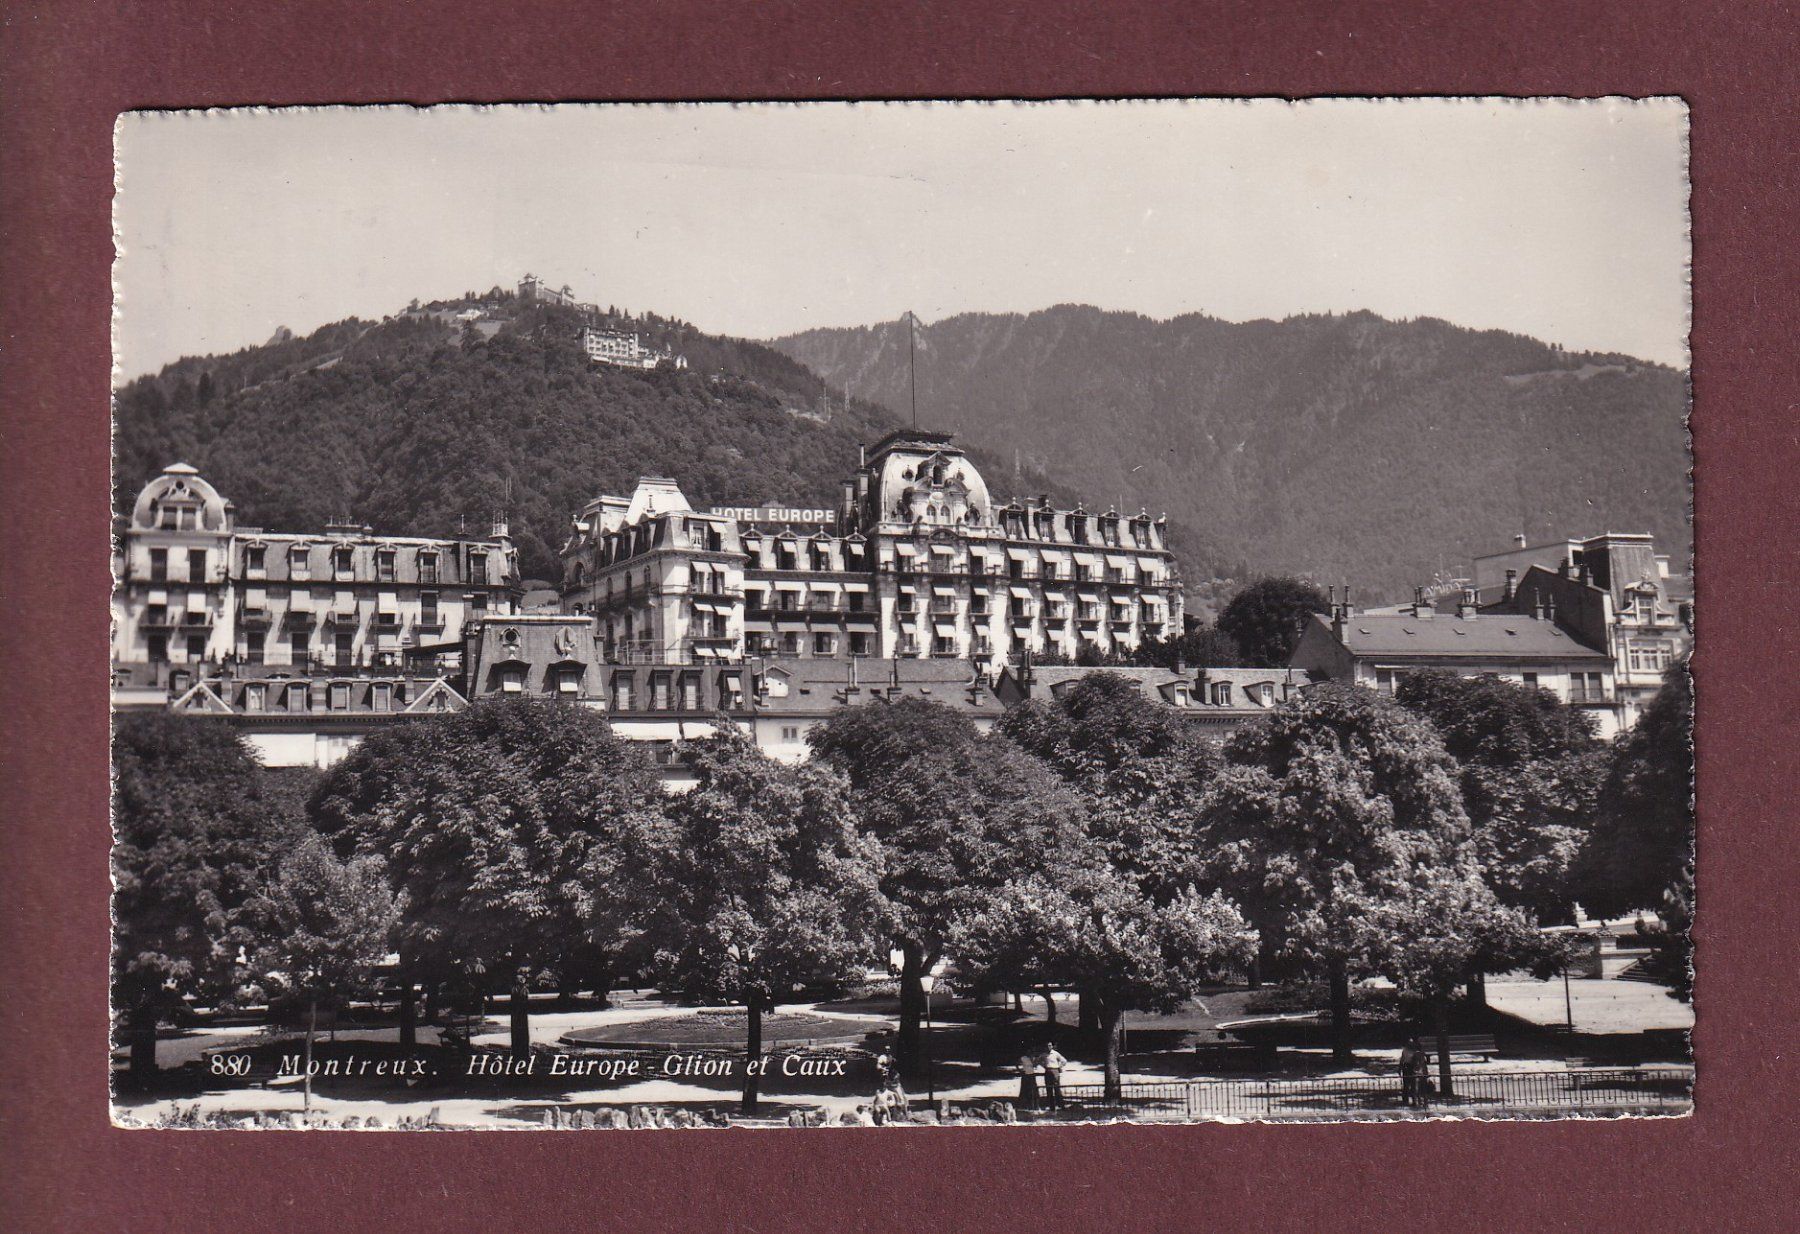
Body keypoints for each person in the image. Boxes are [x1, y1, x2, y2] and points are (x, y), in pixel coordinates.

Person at [1041, 1045, 1067, 1109]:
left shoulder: (1055, 1053)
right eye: (1047, 1046)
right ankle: (1051, 1106)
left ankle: (1061, 1105)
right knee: (1049, 1088)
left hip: (1055, 1070)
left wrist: (1059, 1067)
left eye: (1050, 1045)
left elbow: (1064, 1061)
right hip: (1047, 1071)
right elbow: (1038, 1061)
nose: (1048, 1047)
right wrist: (1044, 1065)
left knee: (1057, 1088)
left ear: (1052, 1046)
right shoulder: (1044, 1055)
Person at [1398, 1037, 1422, 1106]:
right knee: (1406, 1084)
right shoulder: (1405, 1050)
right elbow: (1402, 1060)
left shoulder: (1416, 1051)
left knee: (1413, 1085)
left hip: (1412, 1067)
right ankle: (1406, 1100)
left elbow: (1418, 1061)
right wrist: (1400, 1068)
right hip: (1406, 1067)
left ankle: (1414, 1100)